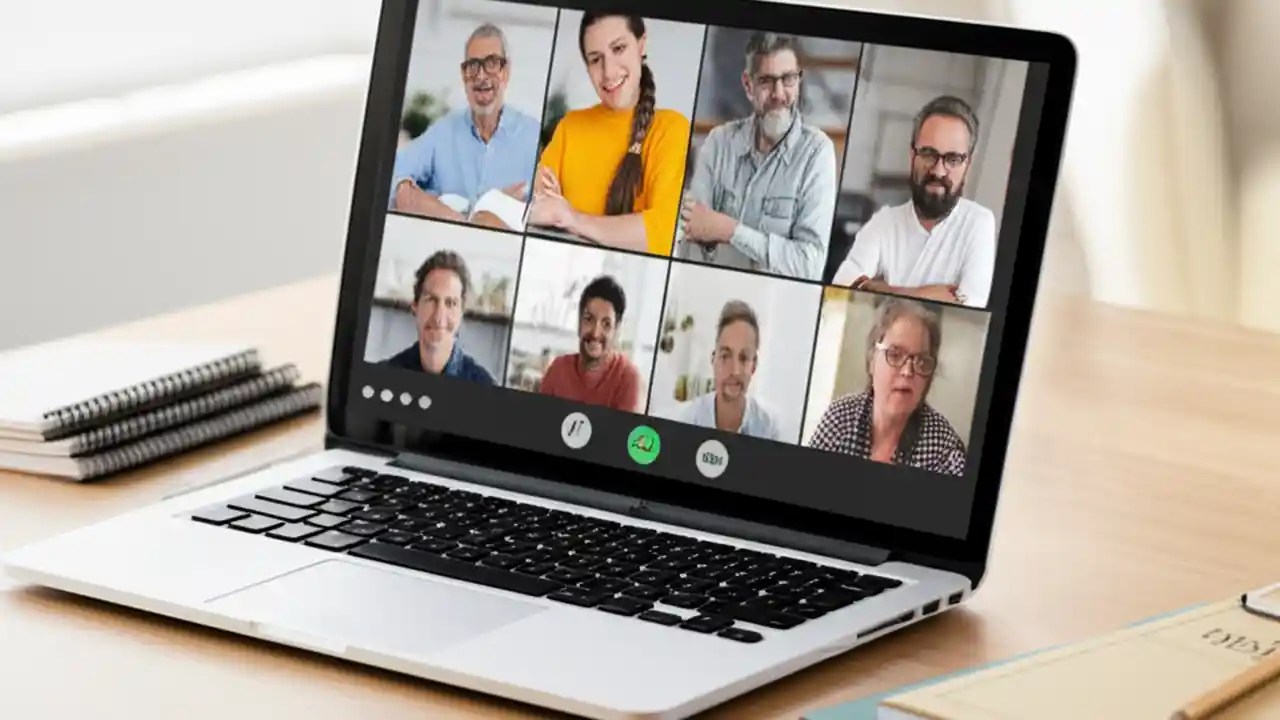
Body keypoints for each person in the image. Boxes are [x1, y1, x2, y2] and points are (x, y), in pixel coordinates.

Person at [678, 33, 838, 281]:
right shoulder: (718, 142)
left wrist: (729, 231)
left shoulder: (817, 152)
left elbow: (809, 265)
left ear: (799, 80)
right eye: (766, 81)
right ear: (748, 84)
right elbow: (690, 238)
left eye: (788, 79)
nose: (778, 94)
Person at [528, 14, 691, 256]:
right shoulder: (570, 126)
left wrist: (571, 218)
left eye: (619, 48)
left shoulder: (671, 128)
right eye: (596, 59)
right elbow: (537, 205)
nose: (608, 72)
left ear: (641, 44)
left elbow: (661, 233)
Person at [832, 96, 997, 308]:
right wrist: (934, 295)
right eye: (929, 153)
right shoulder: (884, 223)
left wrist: (878, 289)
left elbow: (971, 305)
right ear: (912, 155)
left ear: (968, 165)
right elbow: (840, 289)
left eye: (953, 159)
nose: (938, 170)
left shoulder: (978, 223)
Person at [389, 23, 541, 229]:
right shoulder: (443, 131)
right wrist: (463, 219)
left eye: (492, 63)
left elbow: (545, 212)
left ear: (506, 72)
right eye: (473, 65)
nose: (480, 75)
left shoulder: (533, 136)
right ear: (463, 76)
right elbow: (393, 177)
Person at [808, 297, 965, 476]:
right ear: (872, 359)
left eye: (921, 361)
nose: (907, 371)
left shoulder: (944, 449)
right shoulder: (840, 418)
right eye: (895, 355)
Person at [384, 250, 495, 385]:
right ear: (415, 306)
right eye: (431, 300)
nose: (438, 317)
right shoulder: (385, 376)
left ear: (462, 312)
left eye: (451, 303)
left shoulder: (485, 386)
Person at [679, 300, 782, 440]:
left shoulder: (769, 429)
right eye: (725, 356)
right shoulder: (687, 420)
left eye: (744, 358)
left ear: (754, 365)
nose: (735, 370)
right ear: (713, 360)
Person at [538, 275, 642, 412]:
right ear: (579, 322)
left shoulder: (628, 378)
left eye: (606, 324)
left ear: (616, 331)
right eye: (589, 319)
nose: (595, 333)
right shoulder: (558, 369)